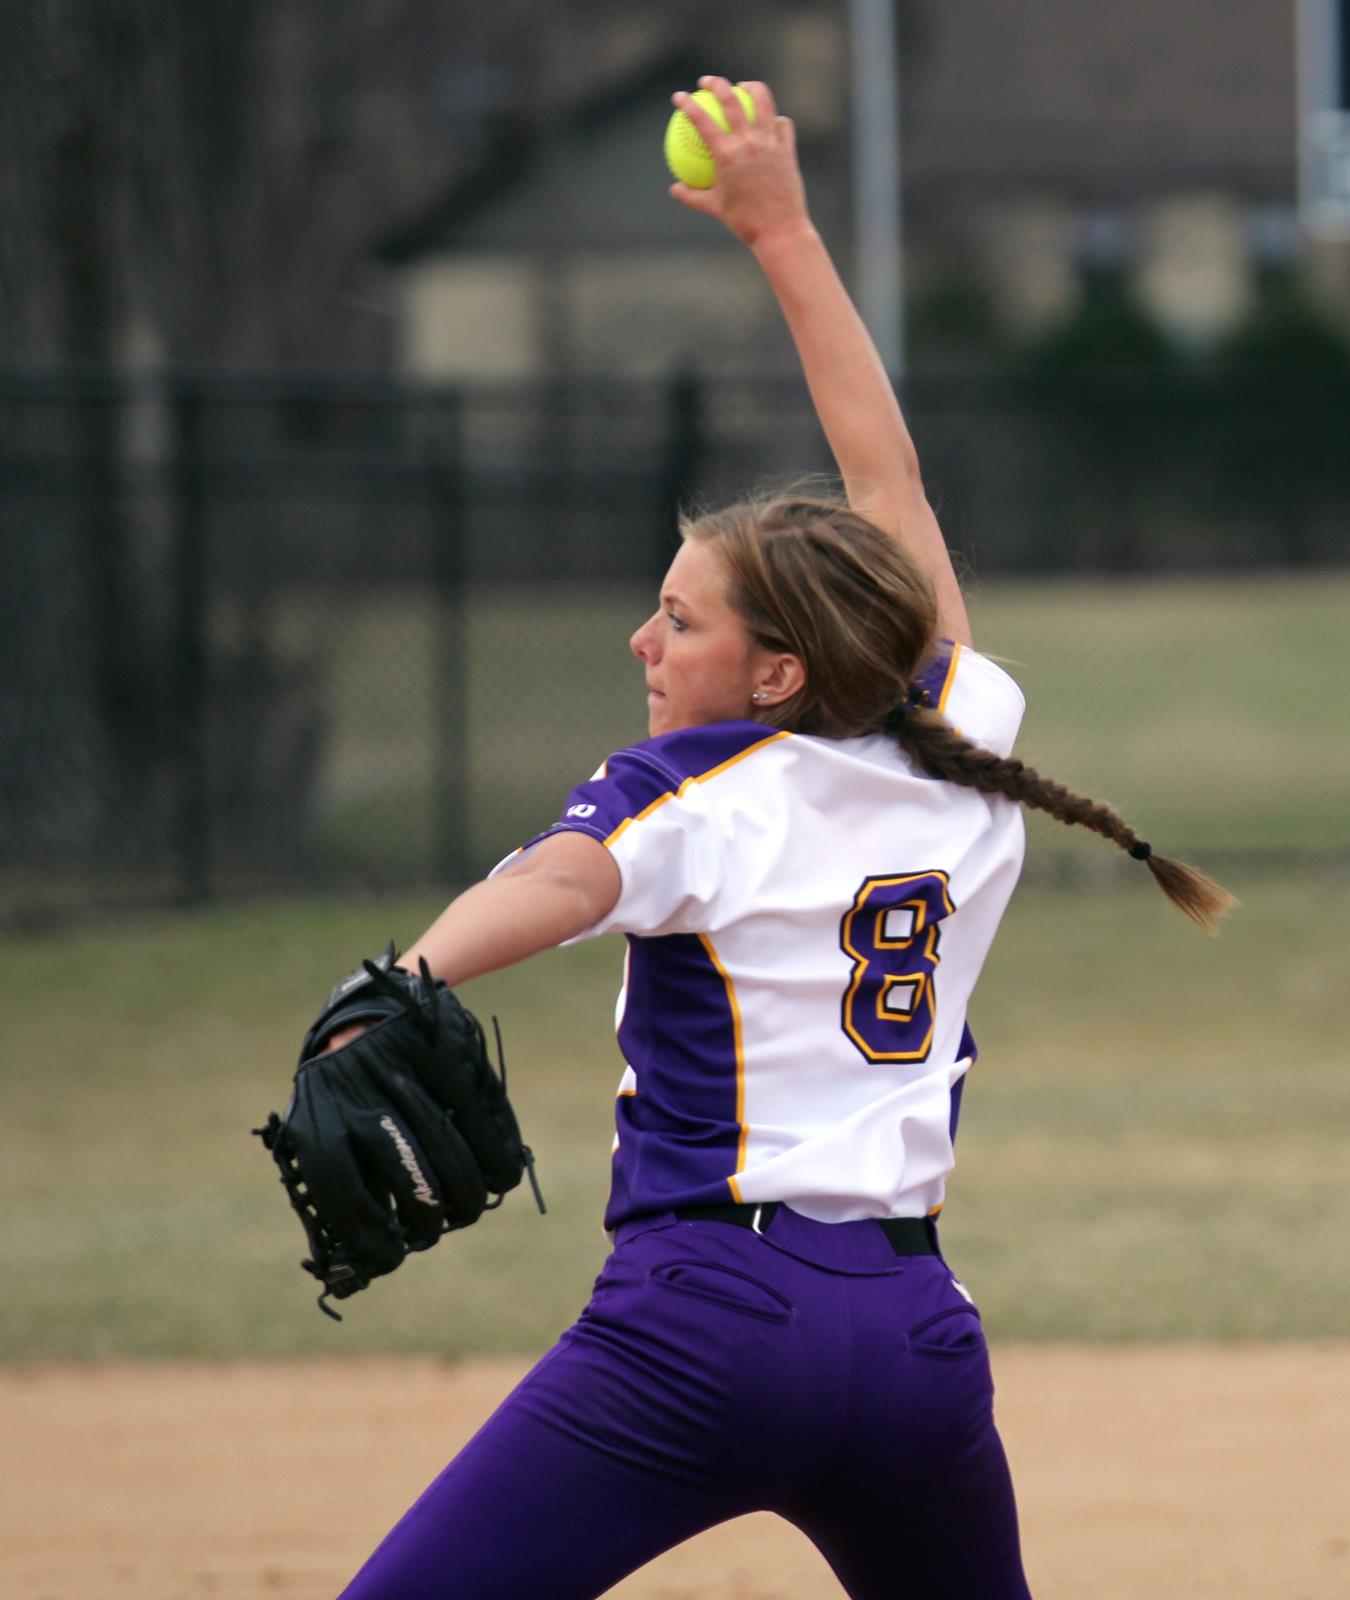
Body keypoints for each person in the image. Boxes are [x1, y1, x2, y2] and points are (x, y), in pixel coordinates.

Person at [337, 77, 1233, 1600]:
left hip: (701, 1332)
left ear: (777, 674)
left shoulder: (697, 790)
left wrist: (402, 975)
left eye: (678, 618)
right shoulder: (964, 741)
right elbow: (890, 488)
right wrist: (787, 232)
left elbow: (558, 887)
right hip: (912, 1349)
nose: (642, 639)